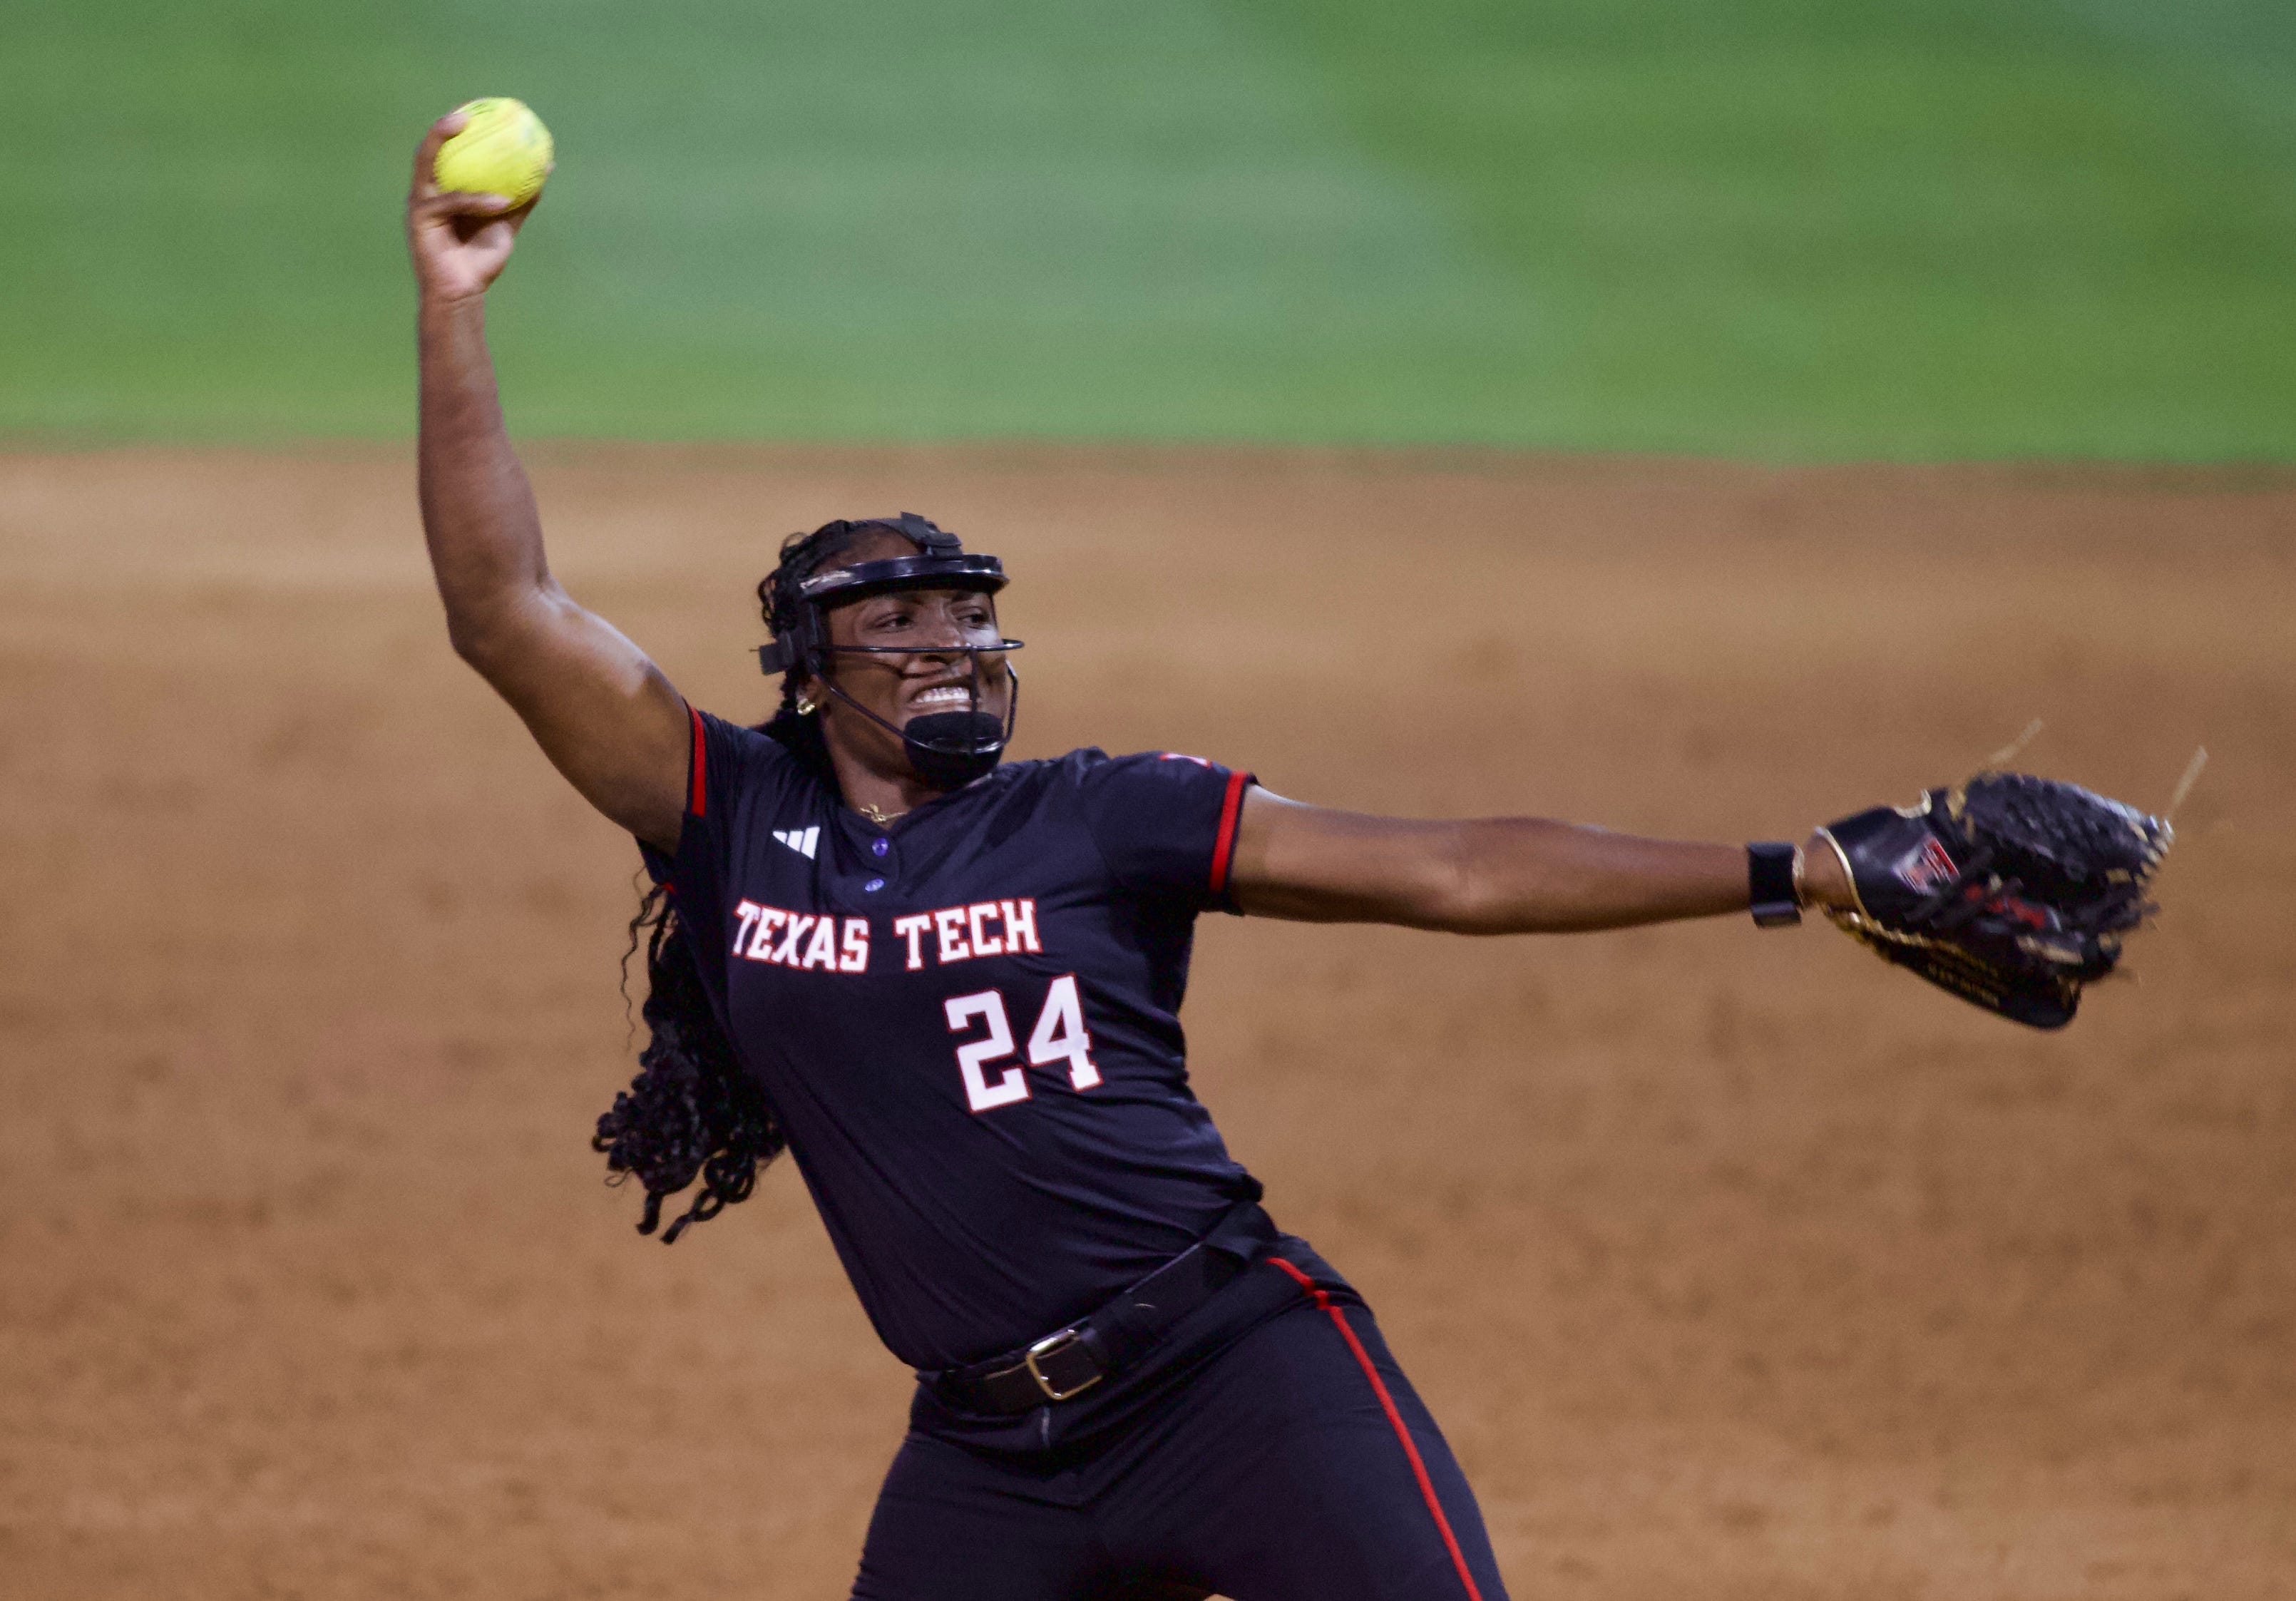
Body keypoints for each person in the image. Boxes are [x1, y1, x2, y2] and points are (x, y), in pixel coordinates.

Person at [406, 110, 1856, 1601]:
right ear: (807, 669)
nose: (946, 646)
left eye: (964, 615)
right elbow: (503, 610)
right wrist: (453, 309)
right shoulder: (729, 814)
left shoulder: (1099, 814)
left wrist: (1783, 868)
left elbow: (1446, 870)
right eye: (896, 623)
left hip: (1236, 1380)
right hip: (986, 1462)